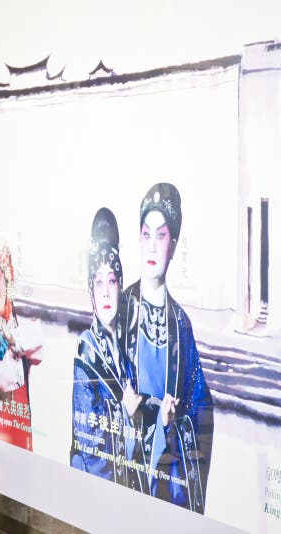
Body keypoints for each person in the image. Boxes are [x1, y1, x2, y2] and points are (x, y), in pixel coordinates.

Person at [120, 183, 213, 513]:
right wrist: (126, 410)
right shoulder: (121, 309)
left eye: (161, 236)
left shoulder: (181, 324)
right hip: (122, 479)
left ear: (173, 245)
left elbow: (201, 404)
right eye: (146, 234)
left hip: (164, 482)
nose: (152, 246)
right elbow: (97, 387)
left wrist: (174, 422)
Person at [70, 208, 145, 491]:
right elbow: (89, 444)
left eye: (111, 281)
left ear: (120, 285)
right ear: (91, 290)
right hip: (95, 489)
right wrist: (124, 411)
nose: (105, 292)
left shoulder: (126, 348)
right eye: (98, 282)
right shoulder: (86, 352)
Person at [0, 232, 40, 449]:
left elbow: (38, 348)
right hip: (3, 412)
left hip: (21, 409)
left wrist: (13, 339)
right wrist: (6, 339)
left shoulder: (21, 318)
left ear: (8, 281)